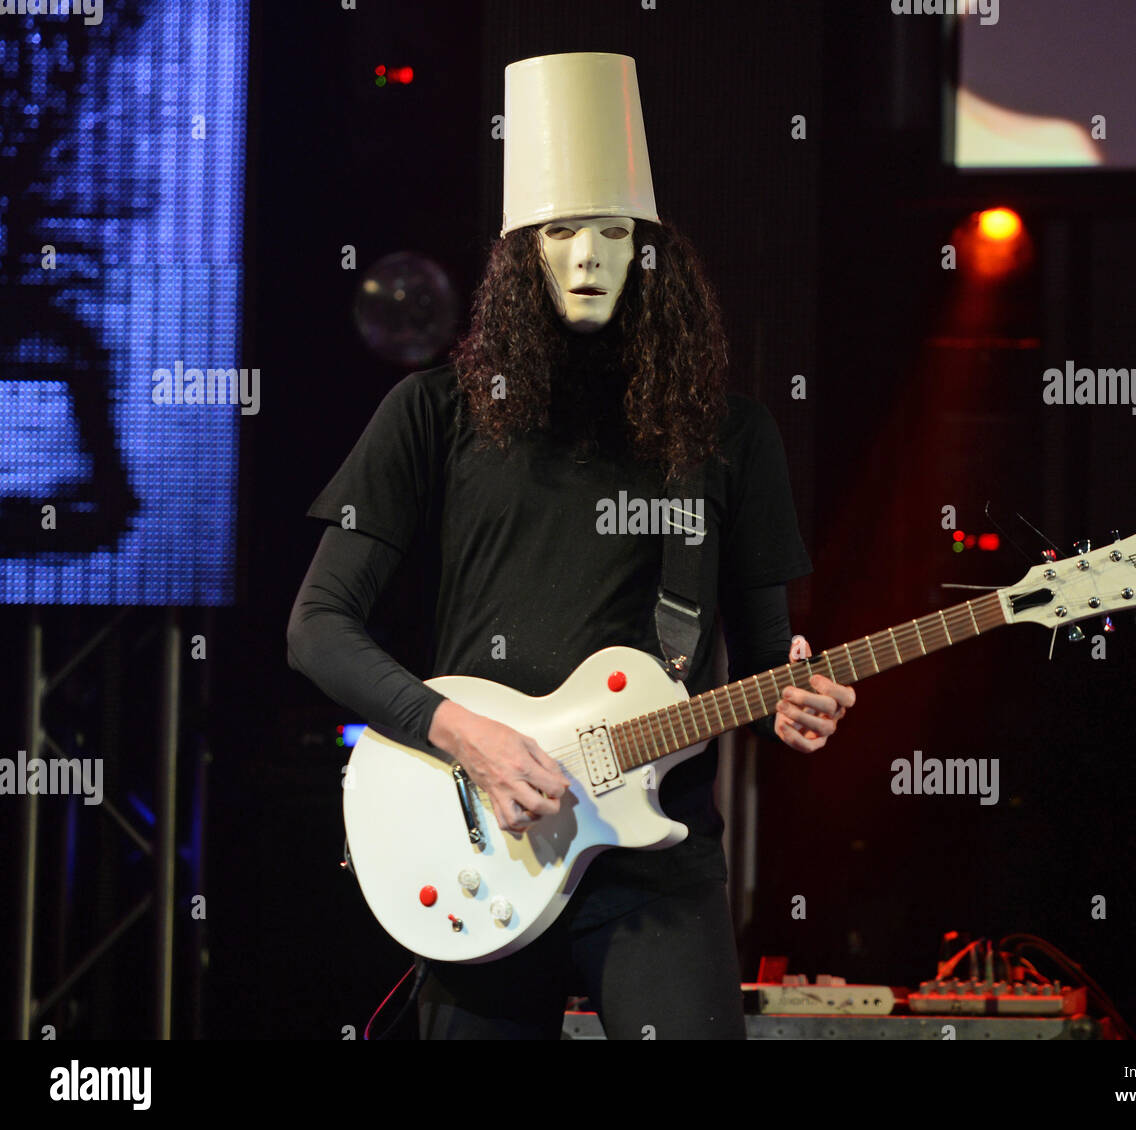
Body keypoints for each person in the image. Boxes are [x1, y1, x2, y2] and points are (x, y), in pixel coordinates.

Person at [286, 52, 855, 1040]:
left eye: (613, 231)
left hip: (657, 859)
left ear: (652, 255)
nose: (587, 254)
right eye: (559, 232)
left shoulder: (727, 436)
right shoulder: (433, 414)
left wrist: (792, 698)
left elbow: (765, 666)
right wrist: (464, 733)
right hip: (482, 838)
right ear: (520, 256)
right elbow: (317, 628)